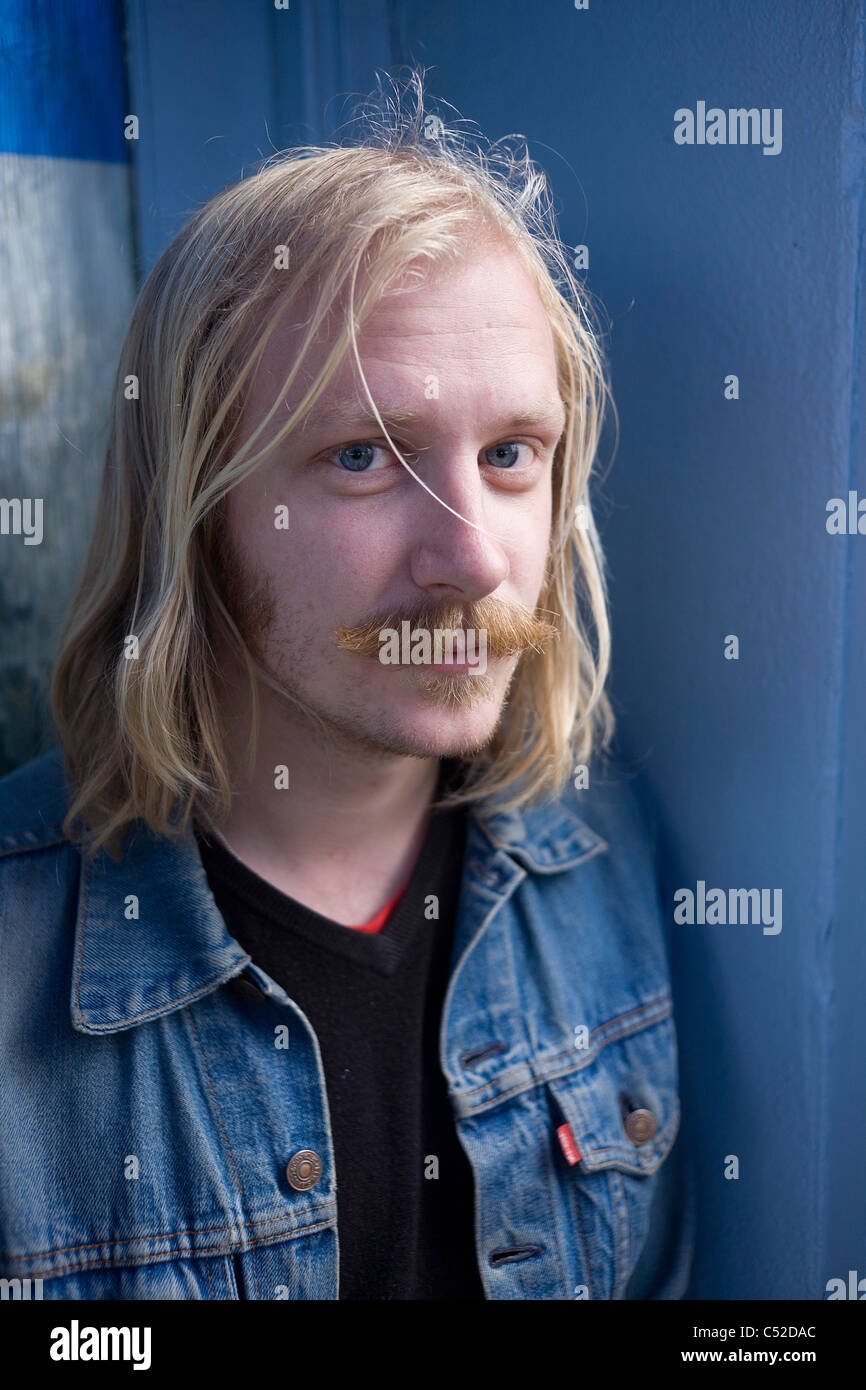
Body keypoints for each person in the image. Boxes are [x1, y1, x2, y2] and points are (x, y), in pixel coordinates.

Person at [0, 76, 694, 1300]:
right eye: (363, 457)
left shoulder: (598, 860)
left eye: (508, 456)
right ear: (197, 506)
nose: (475, 558)